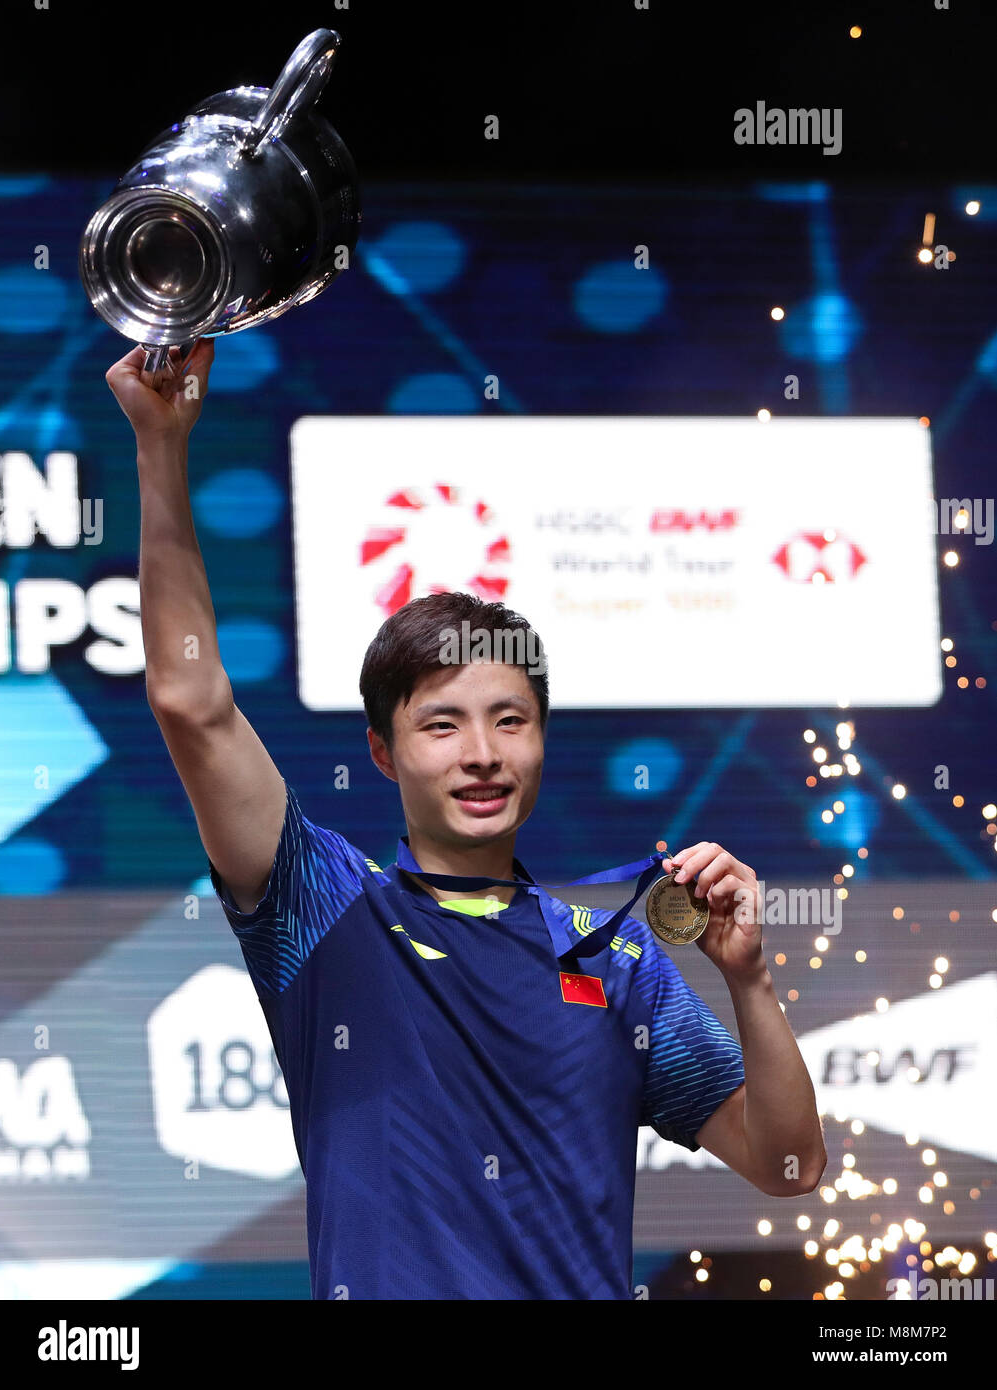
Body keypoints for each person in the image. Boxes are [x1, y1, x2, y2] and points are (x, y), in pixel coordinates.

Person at [106, 340, 826, 1300]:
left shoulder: (618, 958)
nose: (480, 753)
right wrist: (163, 444)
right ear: (382, 751)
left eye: (508, 721)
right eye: (440, 725)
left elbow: (789, 1170)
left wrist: (751, 983)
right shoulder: (317, 906)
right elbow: (190, 699)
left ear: (540, 743)